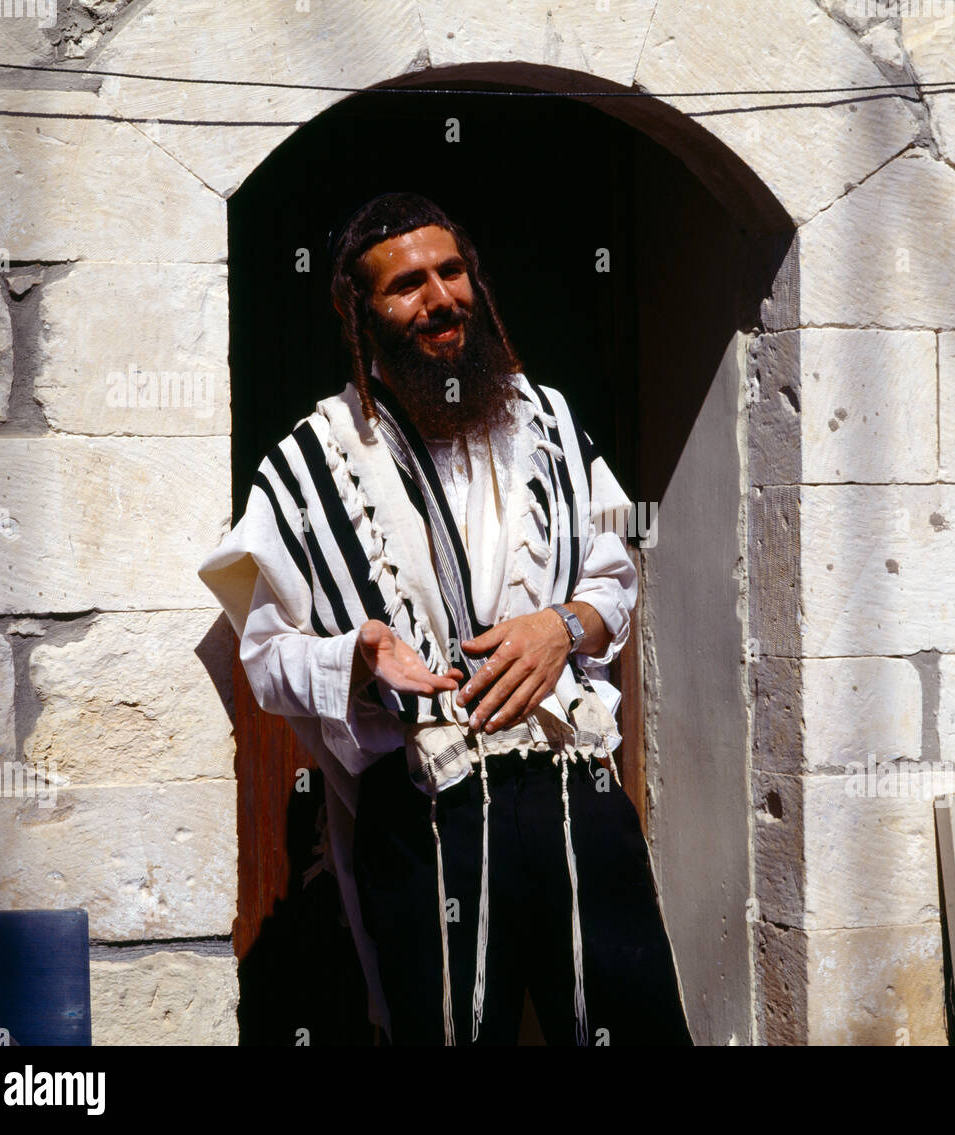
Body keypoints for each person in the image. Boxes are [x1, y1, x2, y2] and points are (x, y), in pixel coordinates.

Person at [199, 193, 691, 1046]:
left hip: (575, 786)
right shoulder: (310, 464)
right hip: (427, 813)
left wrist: (563, 628)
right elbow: (265, 655)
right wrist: (356, 653)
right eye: (407, 285)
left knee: (630, 1019)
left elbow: (613, 573)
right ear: (360, 311)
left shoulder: (548, 423)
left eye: (452, 272)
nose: (439, 299)